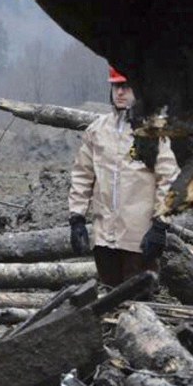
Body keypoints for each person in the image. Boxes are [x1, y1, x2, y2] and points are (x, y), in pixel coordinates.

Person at [67, 66, 179, 287]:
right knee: (110, 299)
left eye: (126, 87)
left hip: (139, 238)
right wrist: (77, 218)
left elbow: (169, 179)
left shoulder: (154, 132)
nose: (120, 92)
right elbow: (82, 174)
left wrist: (160, 225)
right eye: (117, 86)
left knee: (140, 302)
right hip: (104, 237)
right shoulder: (97, 130)